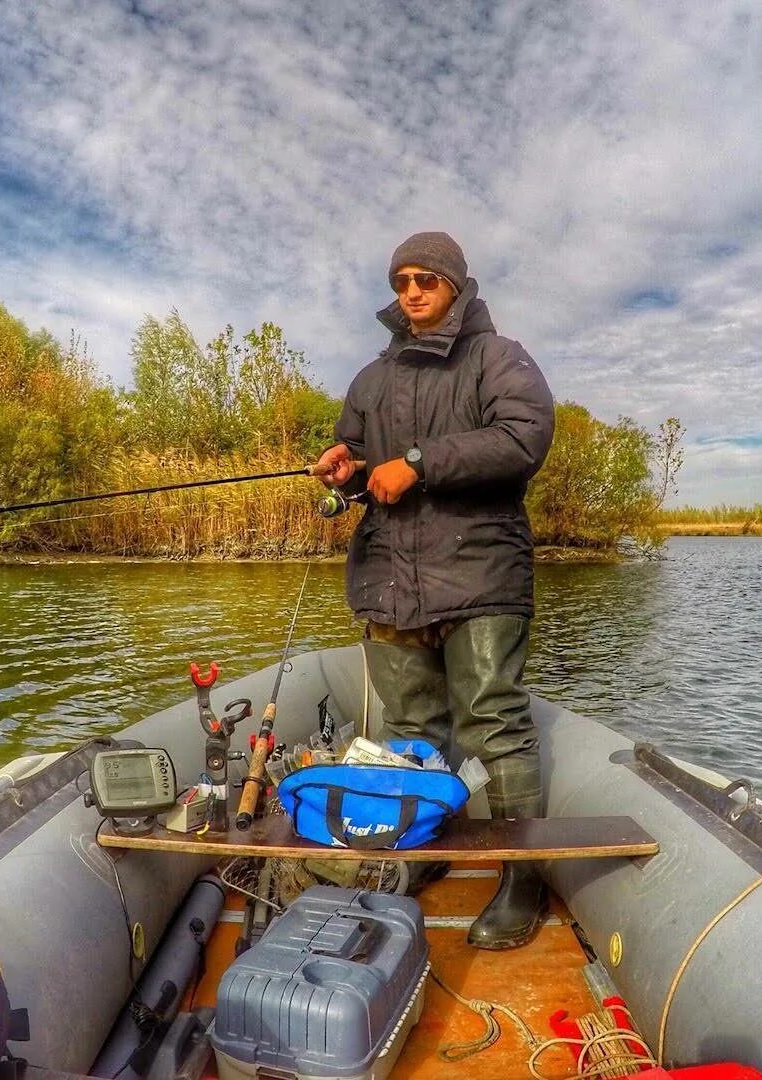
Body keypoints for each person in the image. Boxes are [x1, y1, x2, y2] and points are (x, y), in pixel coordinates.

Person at [315, 231, 555, 950]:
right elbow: (359, 462)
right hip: (392, 578)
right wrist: (343, 468)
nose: (411, 291)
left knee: (494, 722)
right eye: (400, 280)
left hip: (481, 574)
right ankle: (423, 849)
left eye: (426, 278)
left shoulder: (498, 357)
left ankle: (523, 879)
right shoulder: (370, 379)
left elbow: (523, 438)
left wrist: (418, 461)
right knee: (411, 727)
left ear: (455, 283)